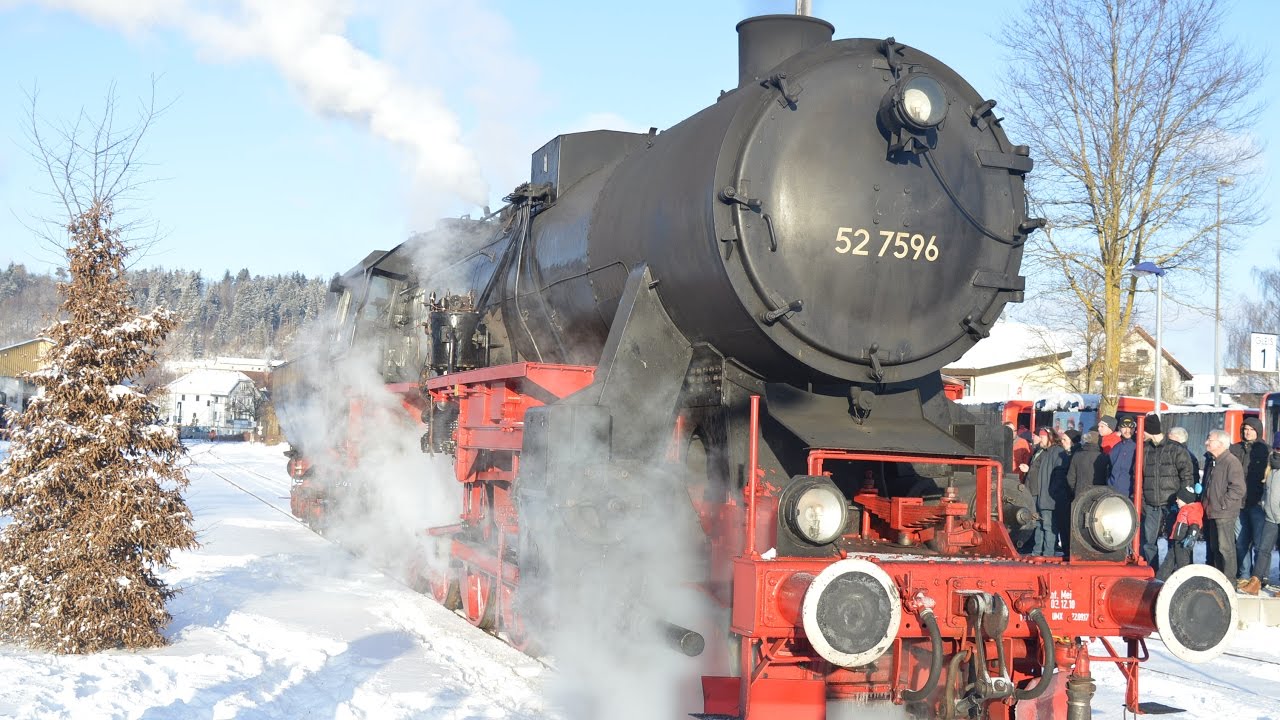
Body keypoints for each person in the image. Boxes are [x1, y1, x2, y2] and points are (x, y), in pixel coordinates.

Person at [1138, 413, 1194, 574]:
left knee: (1175, 540)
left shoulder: (1175, 449)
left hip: (1173, 503)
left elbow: (1187, 476)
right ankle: (1152, 571)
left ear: (1149, 430)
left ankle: (1176, 572)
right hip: (1150, 503)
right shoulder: (1144, 449)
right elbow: (1138, 476)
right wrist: (1141, 500)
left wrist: (1184, 500)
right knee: (1149, 541)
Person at [1231, 417, 1270, 587]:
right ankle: (1244, 575)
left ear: (1258, 431)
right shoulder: (1235, 449)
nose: (1248, 432)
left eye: (1251, 429)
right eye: (1245, 429)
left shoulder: (1265, 450)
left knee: (1259, 544)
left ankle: (1259, 577)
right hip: (1239, 503)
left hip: (1257, 504)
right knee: (1241, 543)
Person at [1239, 432, 1280, 595]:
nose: (1278, 451)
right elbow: (1267, 491)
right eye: (1276, 447)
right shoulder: (1271, 468)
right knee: (1263, 549)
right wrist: (1264, 504)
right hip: (1271, 516)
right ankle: (1255, 581)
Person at [1203, 429, 1245, 579]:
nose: (1206, 442)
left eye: (1210, 439)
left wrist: (1223, 504)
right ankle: (1219, 579)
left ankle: (1229, 581)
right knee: (1215, 548)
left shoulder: (1231, 462)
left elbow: (1238, 489)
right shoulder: (1213, 461)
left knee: (1225, 548)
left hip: (1224, 513)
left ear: (1221, 444)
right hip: (1212, 512)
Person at [1027, 428, 1069, 556]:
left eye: (1042, 437)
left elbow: (1060, 475)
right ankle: (1037, 552)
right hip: (1042, 496)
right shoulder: (1046, 452)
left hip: (1049, 497)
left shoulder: (1057, 452)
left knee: (1049, 526)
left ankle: (1048, 554)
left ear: (1050, 437)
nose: (1040, 439)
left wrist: (1053, 493)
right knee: (1040, 525)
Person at [1156, 483, 1204, 582]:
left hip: (1184, 542)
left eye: (1178, 499)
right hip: (1177, 541)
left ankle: (1186, 582)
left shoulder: (1193, 510)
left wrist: (1191, 536)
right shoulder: (1184, 509)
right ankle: (1159, 580)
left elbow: (1195, 524)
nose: (1176, 500)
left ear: (1185, 500)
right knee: (1168, 561)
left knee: (1183, 563)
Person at [1107, 416, 1137, 498]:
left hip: (1129, 493)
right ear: (1119, 428)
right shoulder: (1115, 448)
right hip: (1112, 491)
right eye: (1124, 427)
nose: (1127, 431)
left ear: (1134, 429)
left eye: (1130, 428)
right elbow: (1110, 469)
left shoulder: (1138, 447)